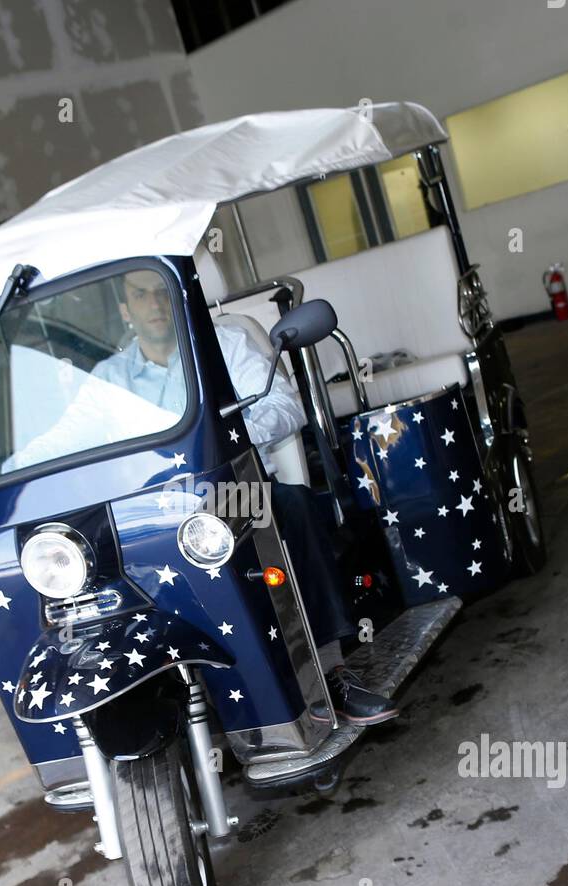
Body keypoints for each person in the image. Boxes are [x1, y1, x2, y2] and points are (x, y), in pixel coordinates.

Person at [95, 269, 398, 726]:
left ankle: (330, 672)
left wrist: (219, 445)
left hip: (235, 490)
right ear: (125, 310)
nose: (155, 304)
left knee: (292, 506)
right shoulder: (108, 378)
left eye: (162, 293)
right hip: (149, 512)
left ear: (179, 299)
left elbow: (283, 407)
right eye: (140, 296)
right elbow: (69, 443)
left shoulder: (225, 342)